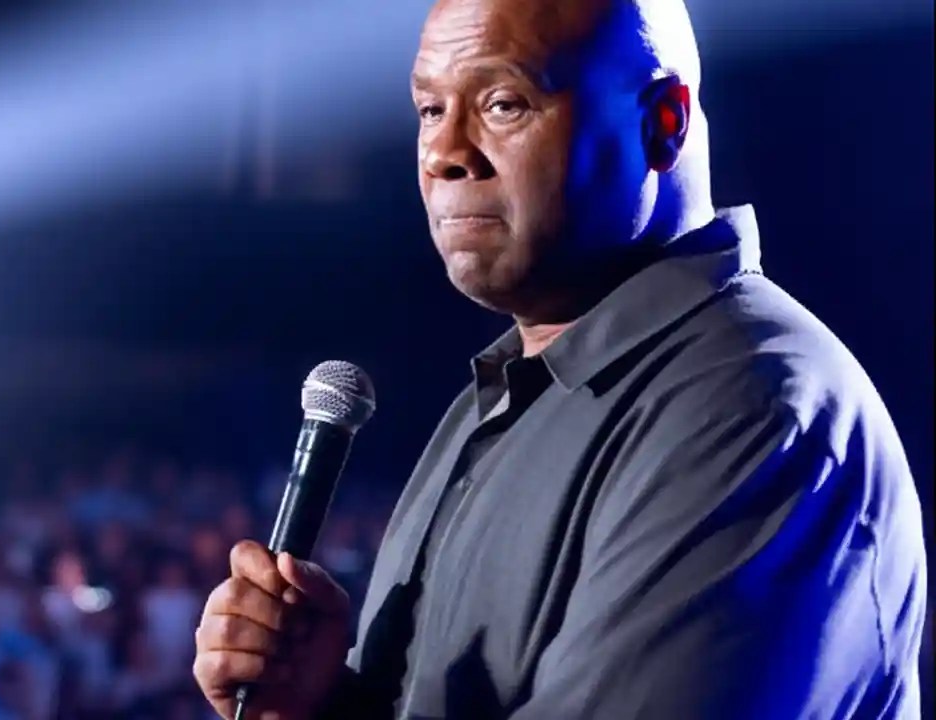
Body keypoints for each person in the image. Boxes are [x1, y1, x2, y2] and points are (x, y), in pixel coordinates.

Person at [192, 0, 928, 718]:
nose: (446, 153)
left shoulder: (752, 406)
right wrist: (318, 705)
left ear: (662, 122)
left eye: (504, 104)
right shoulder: (507, 396)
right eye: (429, 110)